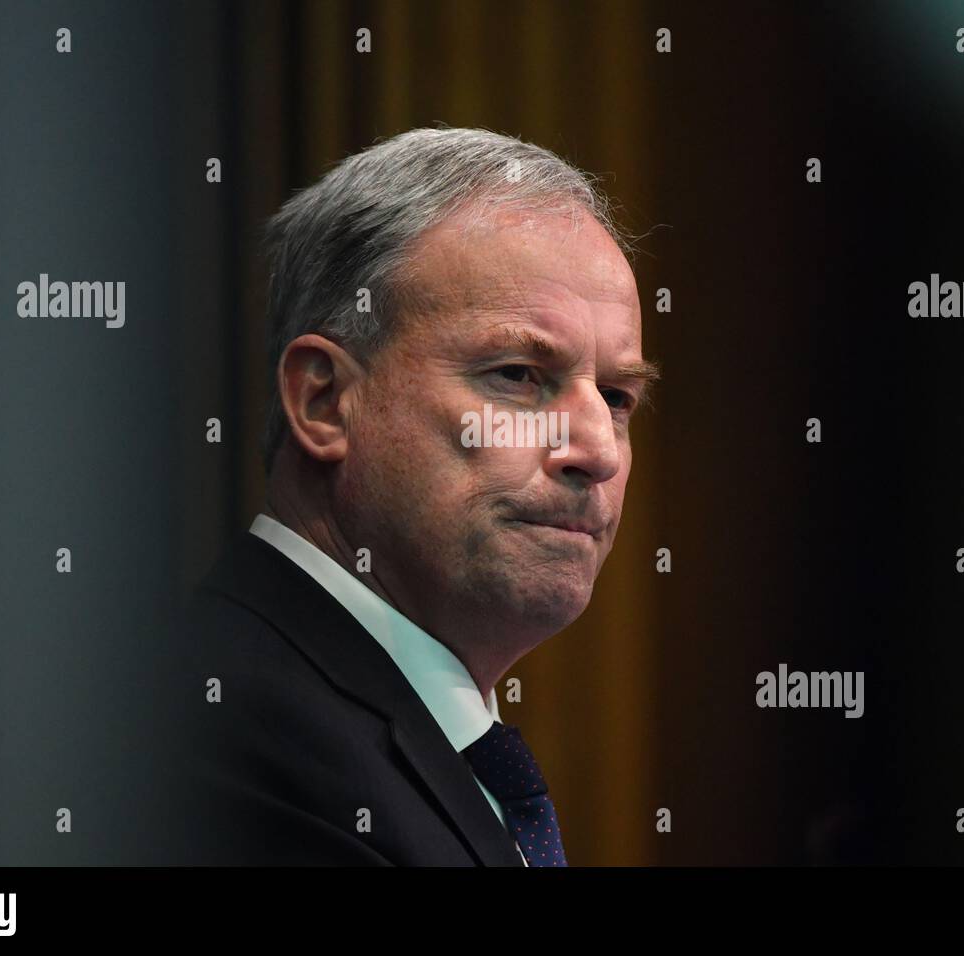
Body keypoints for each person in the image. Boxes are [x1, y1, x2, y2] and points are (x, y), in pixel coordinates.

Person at [172, 127, 658, 865]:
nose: (595, 451)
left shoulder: (410, 734)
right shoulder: (220, 735)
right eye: (519, 376)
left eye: (618, 396)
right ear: (326, 400)